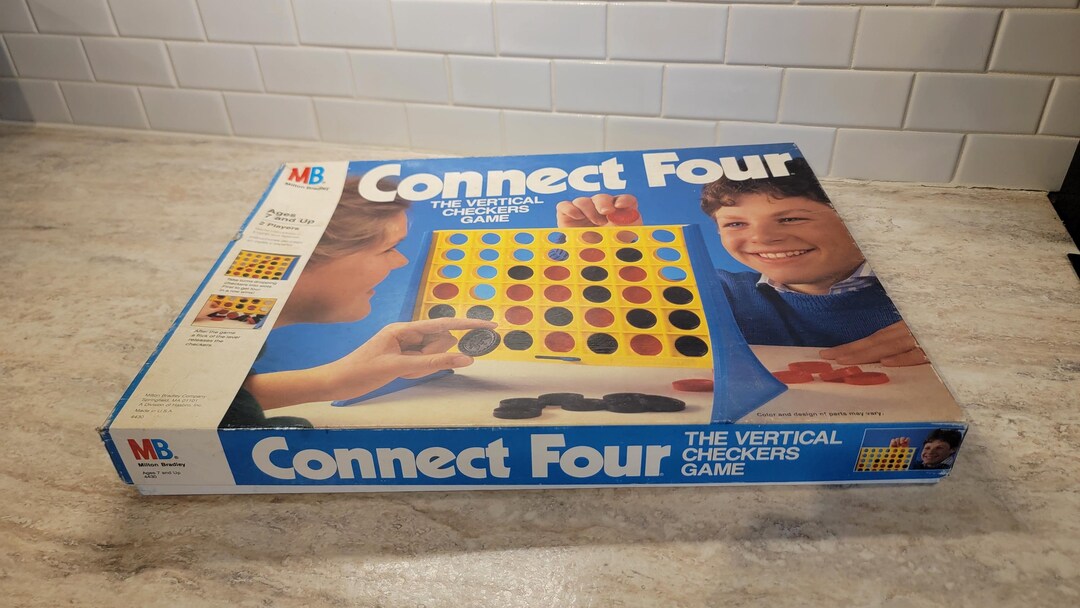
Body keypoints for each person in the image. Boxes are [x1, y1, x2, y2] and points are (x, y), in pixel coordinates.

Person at [554, 157, 926, 366]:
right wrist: (603, 254)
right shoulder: (721, 292)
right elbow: (617, 326)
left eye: (791, 217)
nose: (762, 238)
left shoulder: (913, 291)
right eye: (735, 224)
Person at [221, 178, 494, 428]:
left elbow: (222, 394)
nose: (402, 261)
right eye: (387, 248)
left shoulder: (226, 324)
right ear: (306, 258)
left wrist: (332, 381)